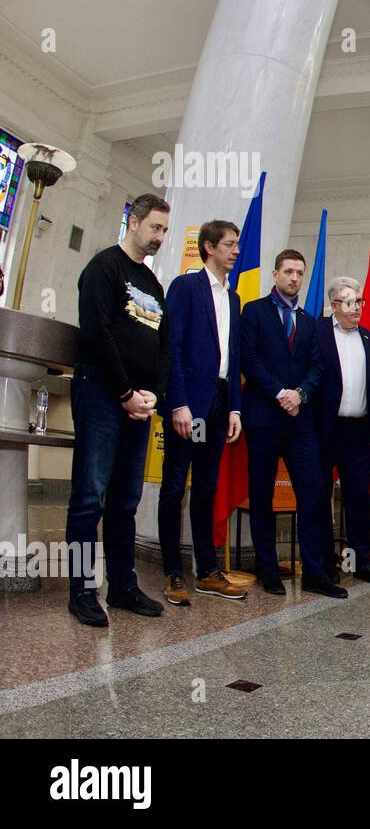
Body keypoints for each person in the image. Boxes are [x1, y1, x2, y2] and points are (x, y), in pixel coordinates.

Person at [65, 193, 171, 627]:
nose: (160, 237)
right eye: (155, 228)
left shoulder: (153, 284)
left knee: (126, 499)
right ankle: (81, 590)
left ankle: (124, 587)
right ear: (134, 221)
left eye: (165, 230)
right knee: (90, 497)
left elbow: (164, 348)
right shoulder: (104, 267)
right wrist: (126, 391)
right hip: (101, 395)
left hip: (138, 405)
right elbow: (96, 334)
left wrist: (152, 396)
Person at [240, 250, 343, 599]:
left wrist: (299, 394)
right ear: (275, 274)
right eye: (288, 271)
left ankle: (314, 571)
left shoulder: (311, 322)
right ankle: (267, 569)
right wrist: (279, 392)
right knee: (262, 494)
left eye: (300, 272)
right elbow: (249, 361)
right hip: (264, 418)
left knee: (313, 491)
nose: (294, 278)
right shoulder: (253, 311)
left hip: (300, 420)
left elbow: (317, 367)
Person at [158, 219, 247, 605]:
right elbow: (171, 348)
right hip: (188, 406)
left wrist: (235, 410)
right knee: (176, 485)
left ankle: (207, 571)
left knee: (207, 488)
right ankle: (172, 572)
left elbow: (235, 355)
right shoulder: (186, 287)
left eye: (237, 245)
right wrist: (178, 402)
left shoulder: (234, 297)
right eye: (229, 244)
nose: (235, 251)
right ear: (209, 247)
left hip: (220, 402)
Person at [314, 277, 370, 586]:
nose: (357, 306)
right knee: (320, 496)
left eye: (359, 301)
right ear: (334, 306)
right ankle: (324, 561)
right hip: (324, 430)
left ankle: (361, 560)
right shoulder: (316, 333)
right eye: (350, 301)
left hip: (359, 432)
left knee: (359, 497)